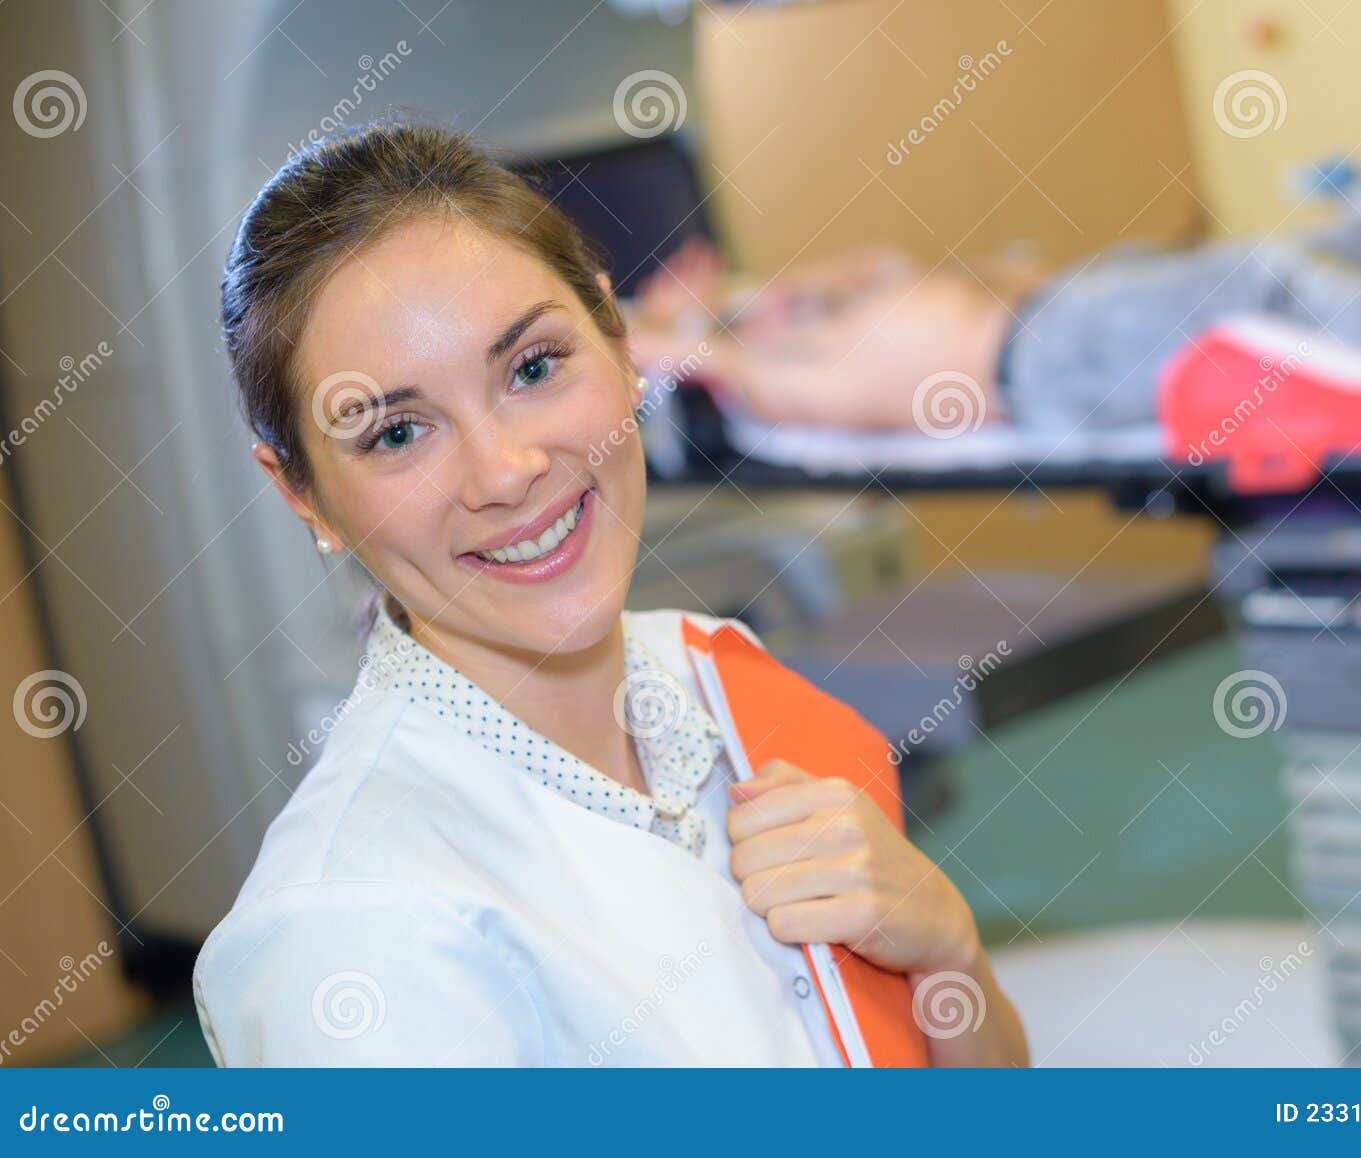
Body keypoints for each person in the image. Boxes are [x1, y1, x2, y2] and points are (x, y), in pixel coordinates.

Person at [193, 120, 1028, 1067]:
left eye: (534, 368)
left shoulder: (721, 673)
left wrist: (946, 945)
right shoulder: (354, 941)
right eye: (396, 434)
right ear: (303, 494)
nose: (504, 472)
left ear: (618, 341)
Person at [626, 193, 1361, 436]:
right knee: (1278, 277)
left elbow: (865, 265)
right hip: (1046, 356)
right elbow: (706, 357)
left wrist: (751, 297)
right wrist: (674, 329)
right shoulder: (789, 385)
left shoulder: (831, 310)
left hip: (1073, 303)